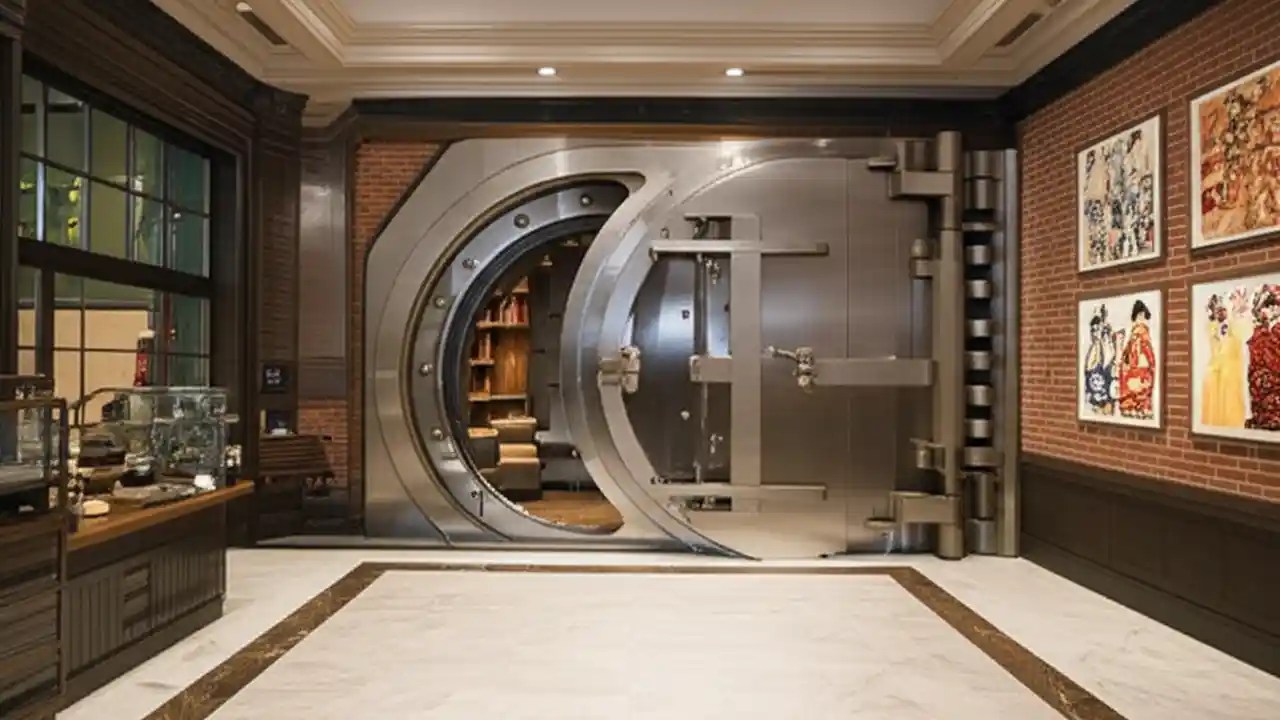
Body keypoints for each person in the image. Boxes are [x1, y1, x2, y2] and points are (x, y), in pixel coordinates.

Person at [1201, 292, 1247, 428]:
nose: (1220, 313)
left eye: (1223, 309)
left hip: (1231, 372)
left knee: (1231, 402)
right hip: (1216, 372)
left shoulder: (1235, 326)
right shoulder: (1212, 329)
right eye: (1217, 310)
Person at [1119, 300, 1157, 419]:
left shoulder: (1138, 332)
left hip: (1137, 362)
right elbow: (1143, 348)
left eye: (1143, 316)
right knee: (1139, 387)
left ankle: (1135, 407)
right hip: (1138, 363)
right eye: (1140, 316)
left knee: (1136, 387)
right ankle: (1138, 408)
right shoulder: (1139, 332)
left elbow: (1142, 348)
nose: (1142, 319)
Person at [1083, 306, 1114, 415]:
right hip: (1094, 393)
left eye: (1097, 330)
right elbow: (1088, 369)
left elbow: (1108, 363)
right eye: (1092, 330)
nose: (1094, 333)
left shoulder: (1105, 346)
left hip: (1105, 393)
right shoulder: (1093, 348)